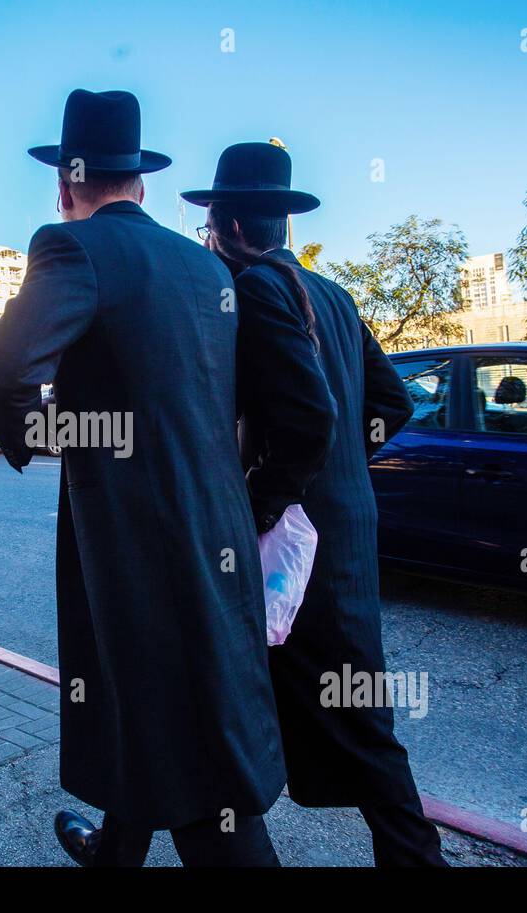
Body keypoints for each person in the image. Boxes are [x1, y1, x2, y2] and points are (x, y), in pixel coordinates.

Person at [0, 91, 286, 867]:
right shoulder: (203, 265)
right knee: (161, 713)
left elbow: (2, 368)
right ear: (140, 184)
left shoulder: (72, 248)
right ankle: (114, 850)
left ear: (65, 188)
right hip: (220, 532)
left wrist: (44, 438)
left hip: (143, 551)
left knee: (198, 770)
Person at [183, 141, 448, 866]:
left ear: (231, 230)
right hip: (344, 533)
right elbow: (391, 403)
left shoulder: (262, 290)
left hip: (299, 547)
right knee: (344, 704)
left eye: (210, 228)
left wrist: (262, 504)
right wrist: (341, 480)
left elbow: (311, 418)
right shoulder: (332, 292)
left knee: (336, 713)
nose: (210, 241)